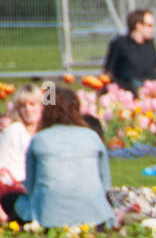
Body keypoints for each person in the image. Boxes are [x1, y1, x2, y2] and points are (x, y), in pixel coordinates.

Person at [1, 86, 114, 228]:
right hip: (95, 215)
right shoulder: (92, 137)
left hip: (47, 217)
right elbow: (105, 184)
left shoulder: (40, 139)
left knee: (8, 199)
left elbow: (30, 187)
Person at [103, 9, 156, 93]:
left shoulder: (150, 44)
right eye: (149, 25)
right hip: (126, 92)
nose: (153, 30)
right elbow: (108, 71)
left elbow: (154, 71)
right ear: (138, 26)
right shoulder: (120, 44)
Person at [0, 84, 43, 187]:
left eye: (32, 104)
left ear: (41, 106)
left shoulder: (46, 132)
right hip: (15, 185)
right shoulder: (13, 131)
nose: (28, 109)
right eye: (23, 106)